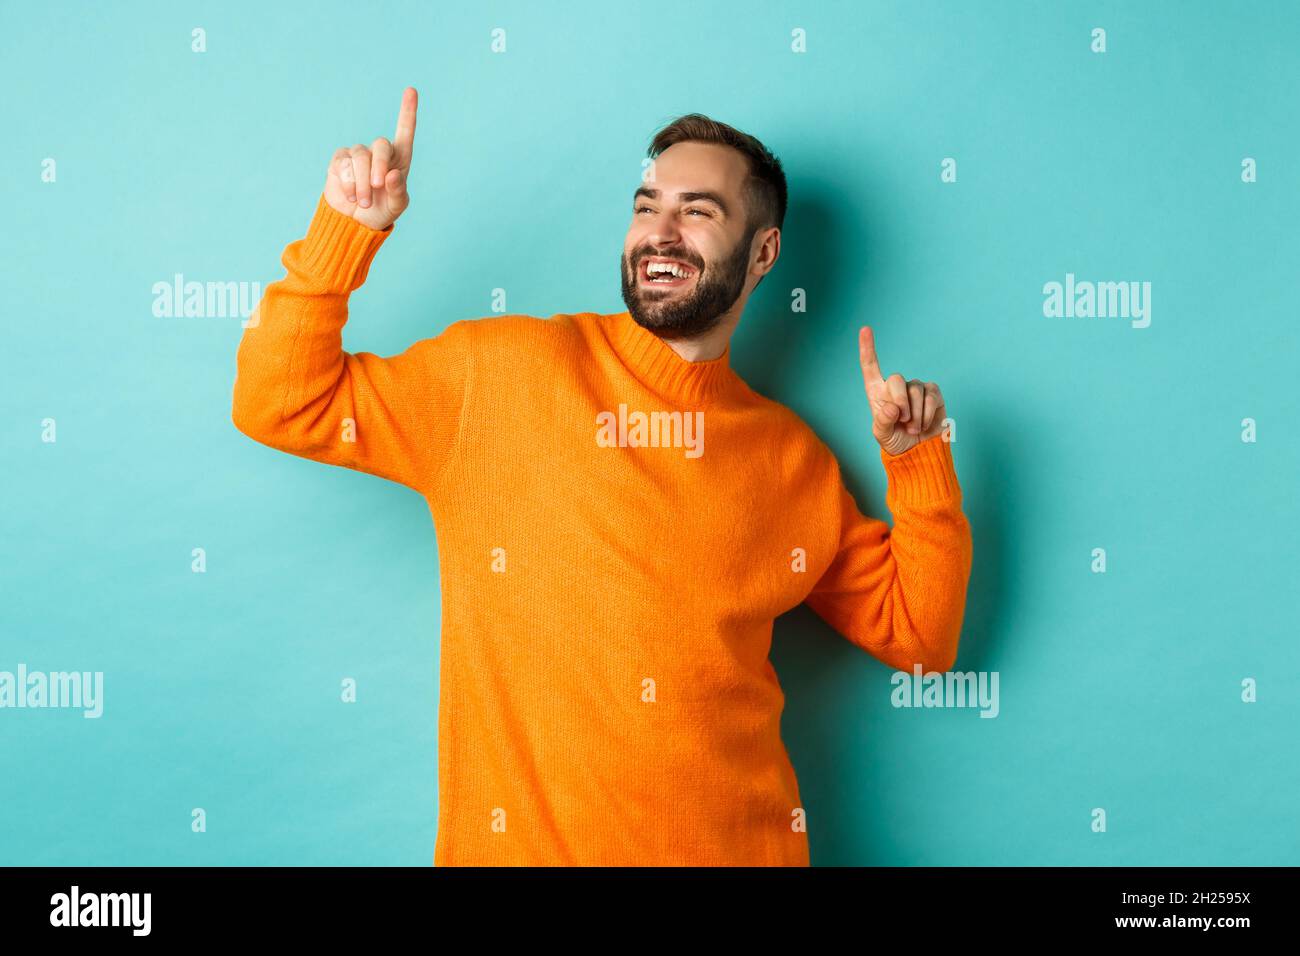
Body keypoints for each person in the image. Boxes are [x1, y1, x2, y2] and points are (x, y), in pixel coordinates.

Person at [231, 87, 973, 866]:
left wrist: (915, 459)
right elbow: (280, 404)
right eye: (646, 204)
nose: (660, 231)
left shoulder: (790, 460)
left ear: (763, 254)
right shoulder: (501, 375)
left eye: (699, 211)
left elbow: (921, 638)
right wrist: (347, 231)